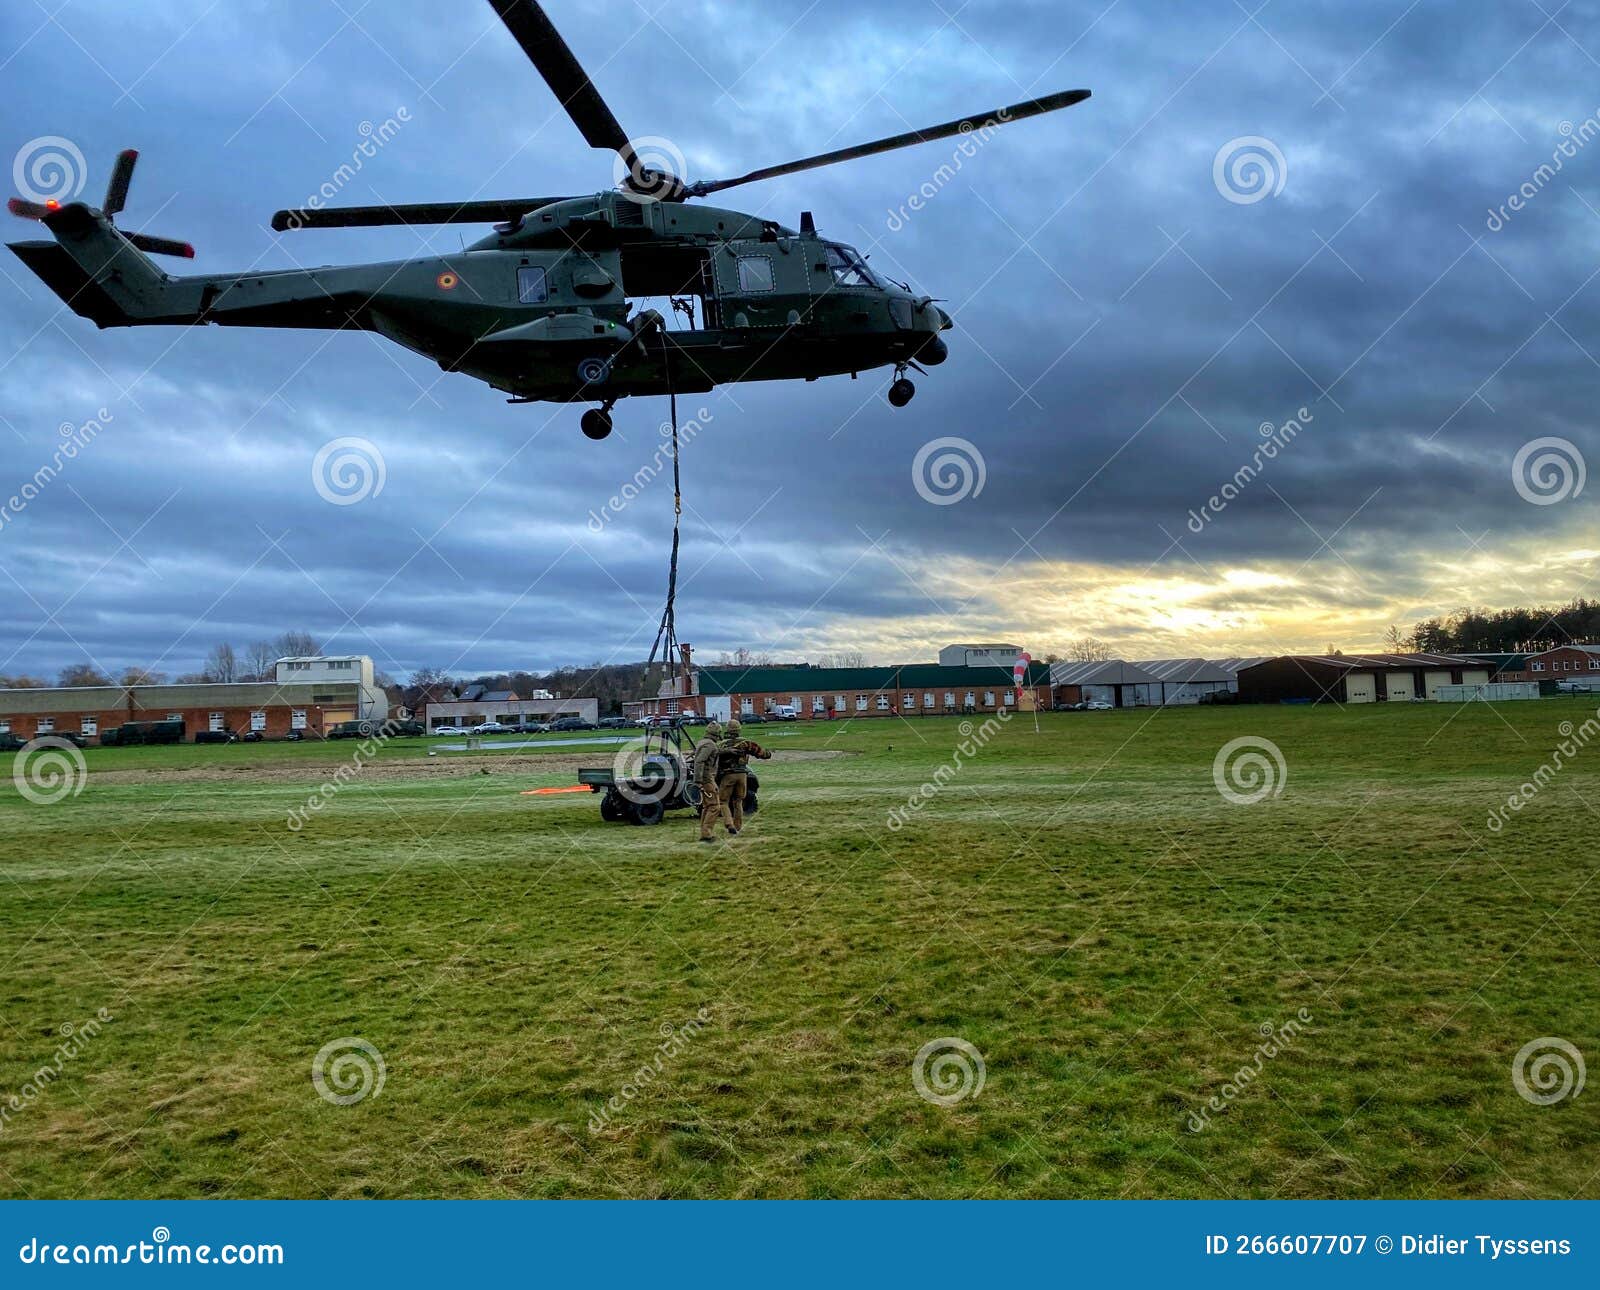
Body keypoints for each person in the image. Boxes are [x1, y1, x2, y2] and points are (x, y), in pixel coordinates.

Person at [716, 717, 772, 836]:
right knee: (738, 801)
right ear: (739, 729)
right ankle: (738, 827)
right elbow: (762, 753)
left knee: (723, 801)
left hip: (728, 775)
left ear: (727, 729)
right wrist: (768, 753)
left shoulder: (721, 744)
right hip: (743, 775)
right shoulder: (746, 743)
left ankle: (729, 824)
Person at [691, 720, 724, 843]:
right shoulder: (710, 745)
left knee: (707, 806)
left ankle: (704, 833)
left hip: (705, 779)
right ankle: (707, 834)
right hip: (707, 779)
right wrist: (699, 780)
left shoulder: (703, 742)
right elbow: (699, 761)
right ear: (717, 733)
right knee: (715, 806)